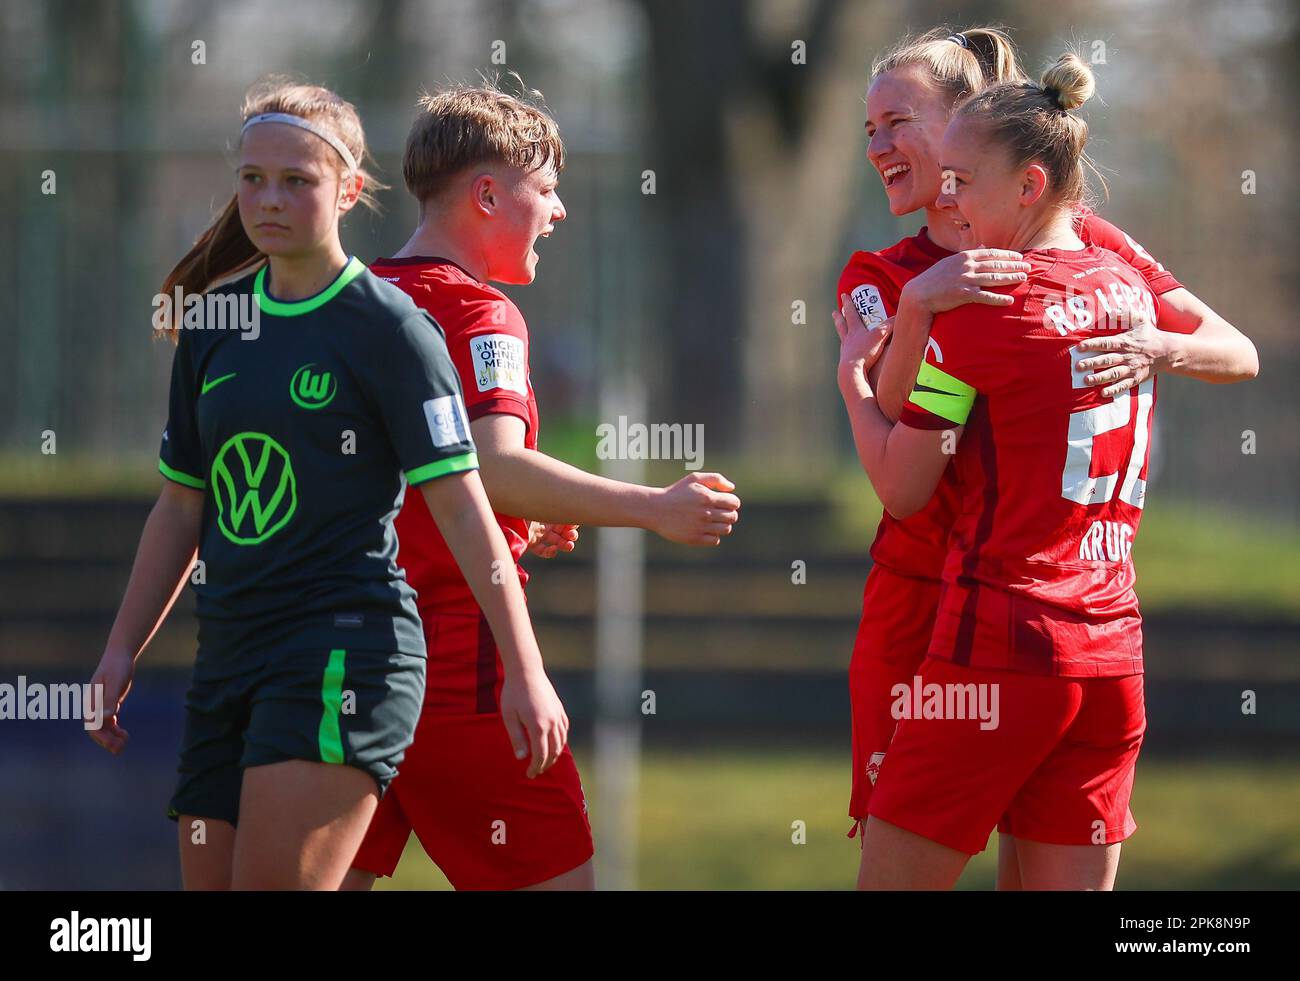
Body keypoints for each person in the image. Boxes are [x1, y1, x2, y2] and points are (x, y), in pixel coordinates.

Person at [87, 77, 566, 891]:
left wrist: (523, 665)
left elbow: (465, 502)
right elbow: (180, 506)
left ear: (348, 190)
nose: (269, 199)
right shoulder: (214, 328)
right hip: (229, 654)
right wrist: (119, 651)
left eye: (297, 181)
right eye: (252, 179)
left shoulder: (390, 328)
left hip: (343, 653)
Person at [836, 26, 1259, 890]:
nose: (880, 147)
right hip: (1095, 634)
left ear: (974, 123)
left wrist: (863, 370)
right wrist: (919, 305)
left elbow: (901, 467)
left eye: (899, 123)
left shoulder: (987, 305)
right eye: (868, 128)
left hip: (990, 623)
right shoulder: (908, 273)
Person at [344, 80, 741, 891]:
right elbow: (497, 467)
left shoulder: (357, 302)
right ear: (487, 194)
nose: (558, 213)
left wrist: (518, 513)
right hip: (457, 668)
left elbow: (422, 477)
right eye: (548, 190)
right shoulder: (481, 315)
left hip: (341, 666)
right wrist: (656, 508)